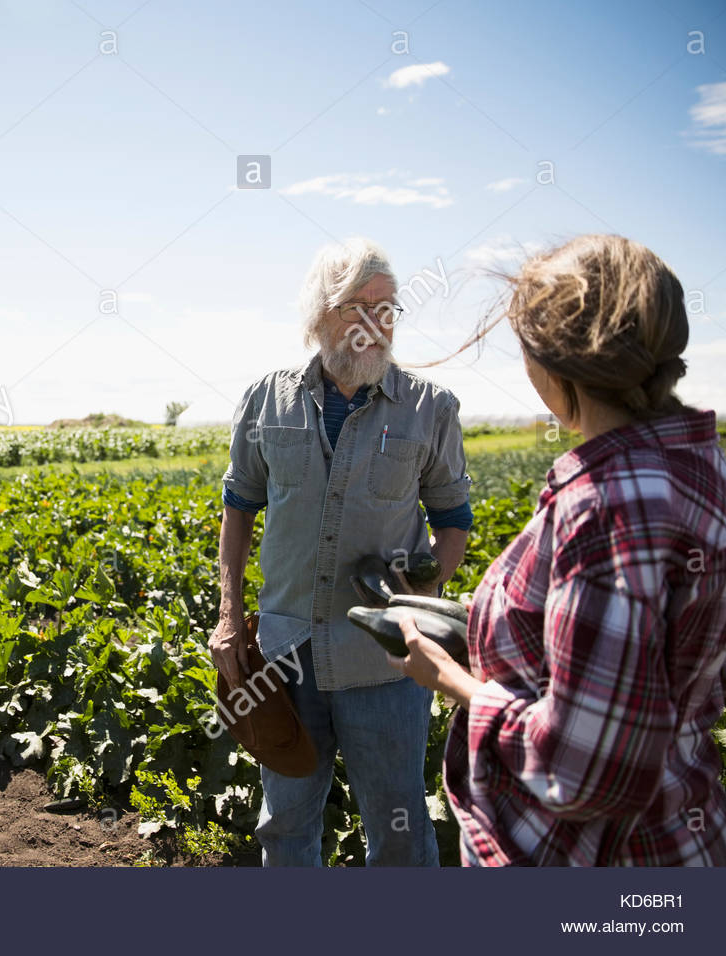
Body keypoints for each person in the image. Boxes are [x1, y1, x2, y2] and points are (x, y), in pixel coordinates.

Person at [392, 234, 726, 865]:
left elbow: (585, 771)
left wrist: (452, 680)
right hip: (685, 835)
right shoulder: (710, 470)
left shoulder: (605, 507)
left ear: (554, 364)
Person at [210, 237, 474, 866]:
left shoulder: (428, 408)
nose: (377, 323)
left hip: (385, 663)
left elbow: (454, 521)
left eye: (389, 309)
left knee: (399, 829)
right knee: (285, 824)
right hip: (285, 652)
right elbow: (238, 509)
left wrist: (422, 588)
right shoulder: (265, 402)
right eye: (361, 305)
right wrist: (227, 617)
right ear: (321, 314)